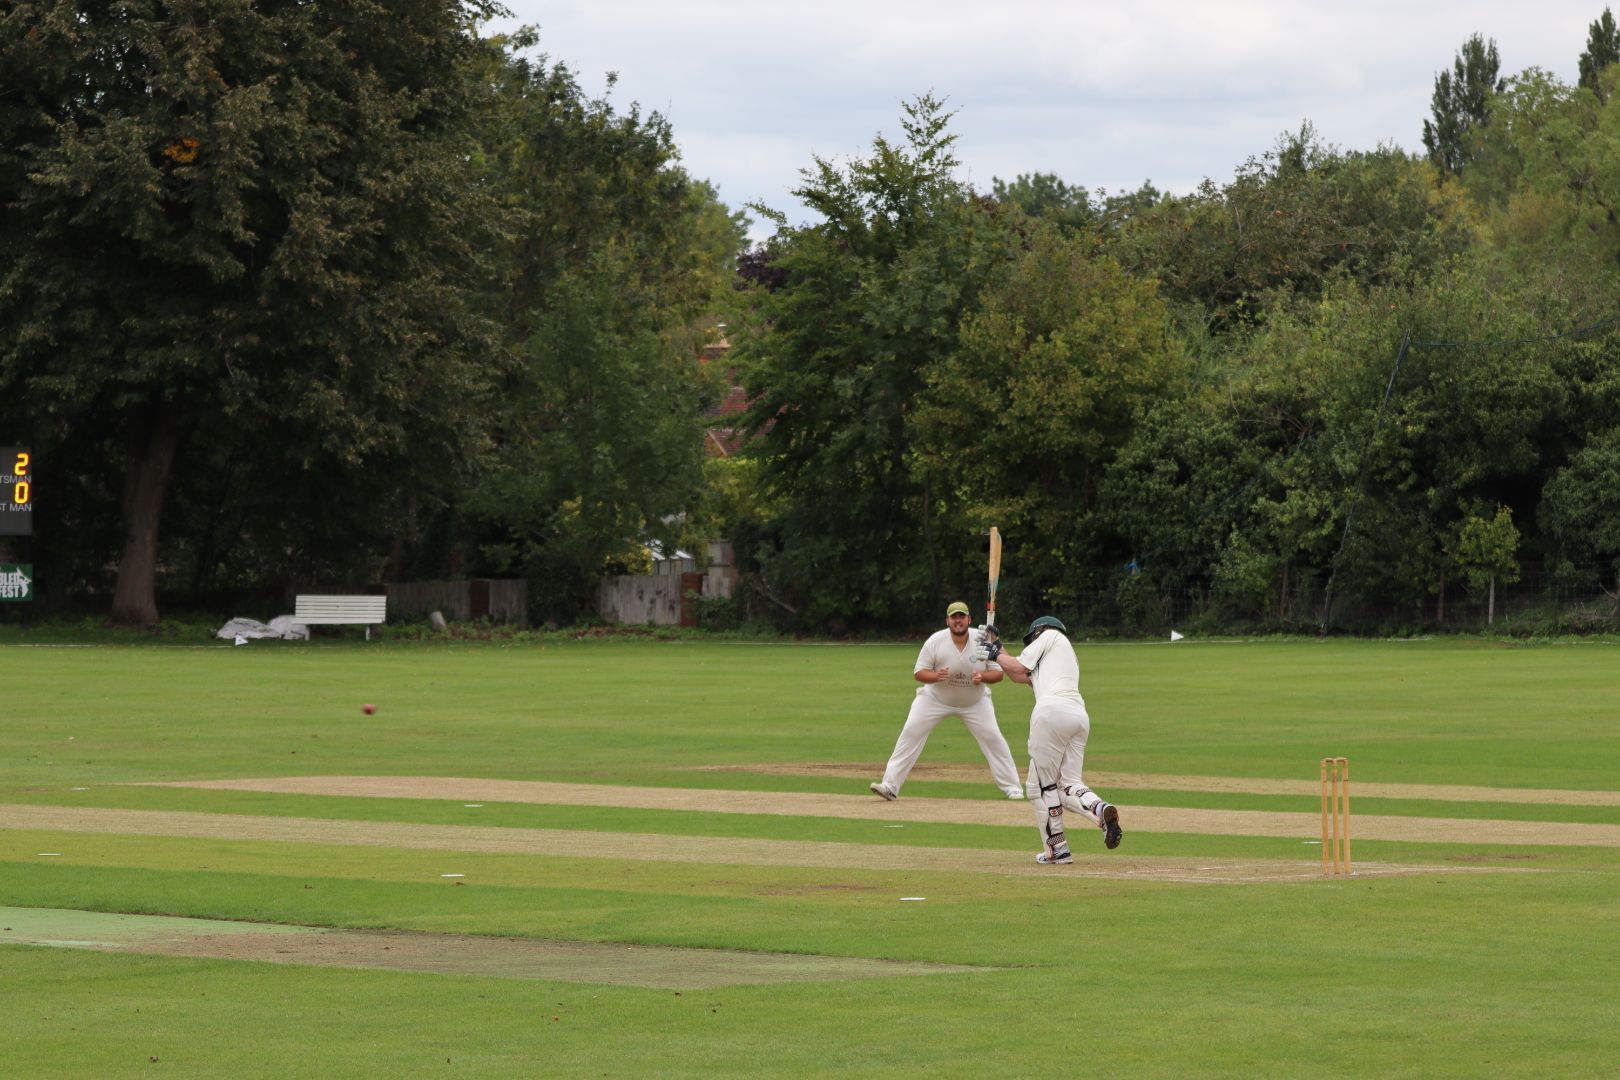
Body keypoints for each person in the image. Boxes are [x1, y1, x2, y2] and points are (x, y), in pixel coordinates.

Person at [981, 615, 1122, 864]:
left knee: (1043, 788)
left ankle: (1058, 849)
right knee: (1067, 783)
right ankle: (1099, 808)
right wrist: (998, 645)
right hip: (1078, 716)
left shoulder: (1049, 635)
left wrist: (993, 654)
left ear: (1039, 632)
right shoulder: (1063, 658)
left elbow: (1017, 667)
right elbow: (1019, 676)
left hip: (1050, 715)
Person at [870, 601, 1025, 801]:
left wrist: (982, 678)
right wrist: (936, 676)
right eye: (954, 617)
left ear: (969, 619)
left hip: (975, 703)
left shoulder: (982, 639)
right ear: (948, 620)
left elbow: (998, 674)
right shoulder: (935, 641)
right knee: (911, 731)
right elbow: (918, 673)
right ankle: (890, 785)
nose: (958, 621)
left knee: (994, 739)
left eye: (961, 617)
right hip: (935, 699)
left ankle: (1013, 788)